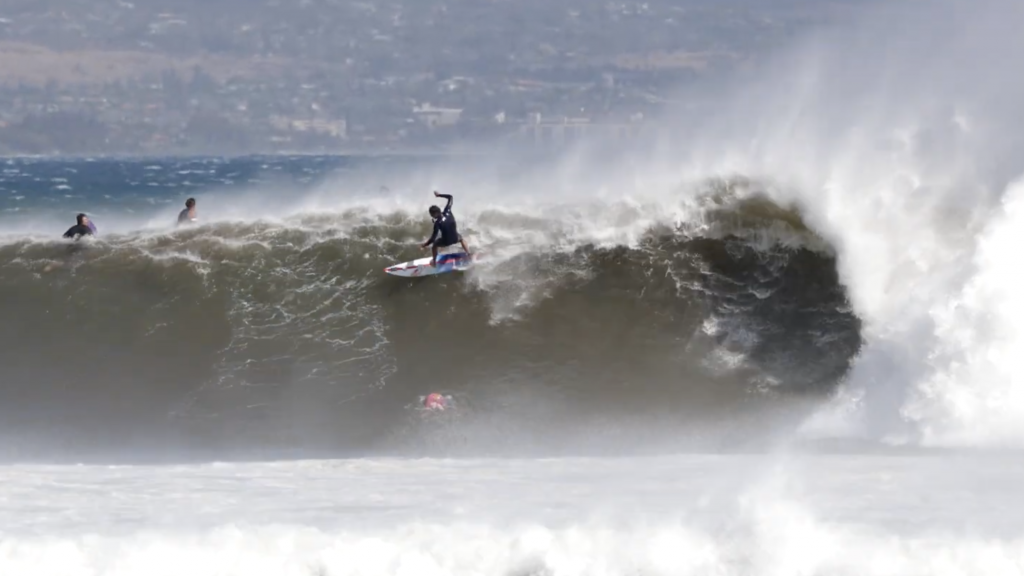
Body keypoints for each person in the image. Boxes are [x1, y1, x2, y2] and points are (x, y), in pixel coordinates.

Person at [421, 191, 470, 267]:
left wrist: (424, 245)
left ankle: (434, 261)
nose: (431, 216)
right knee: (461, 239)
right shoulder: (448, 211)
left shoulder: (437, 223)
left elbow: (432, 239)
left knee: (435, 245)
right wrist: (439, 195)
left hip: (446, 241)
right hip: (456, 238)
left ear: (435, 214)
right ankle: (468, 253)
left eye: (432, 214)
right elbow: (450, 197)